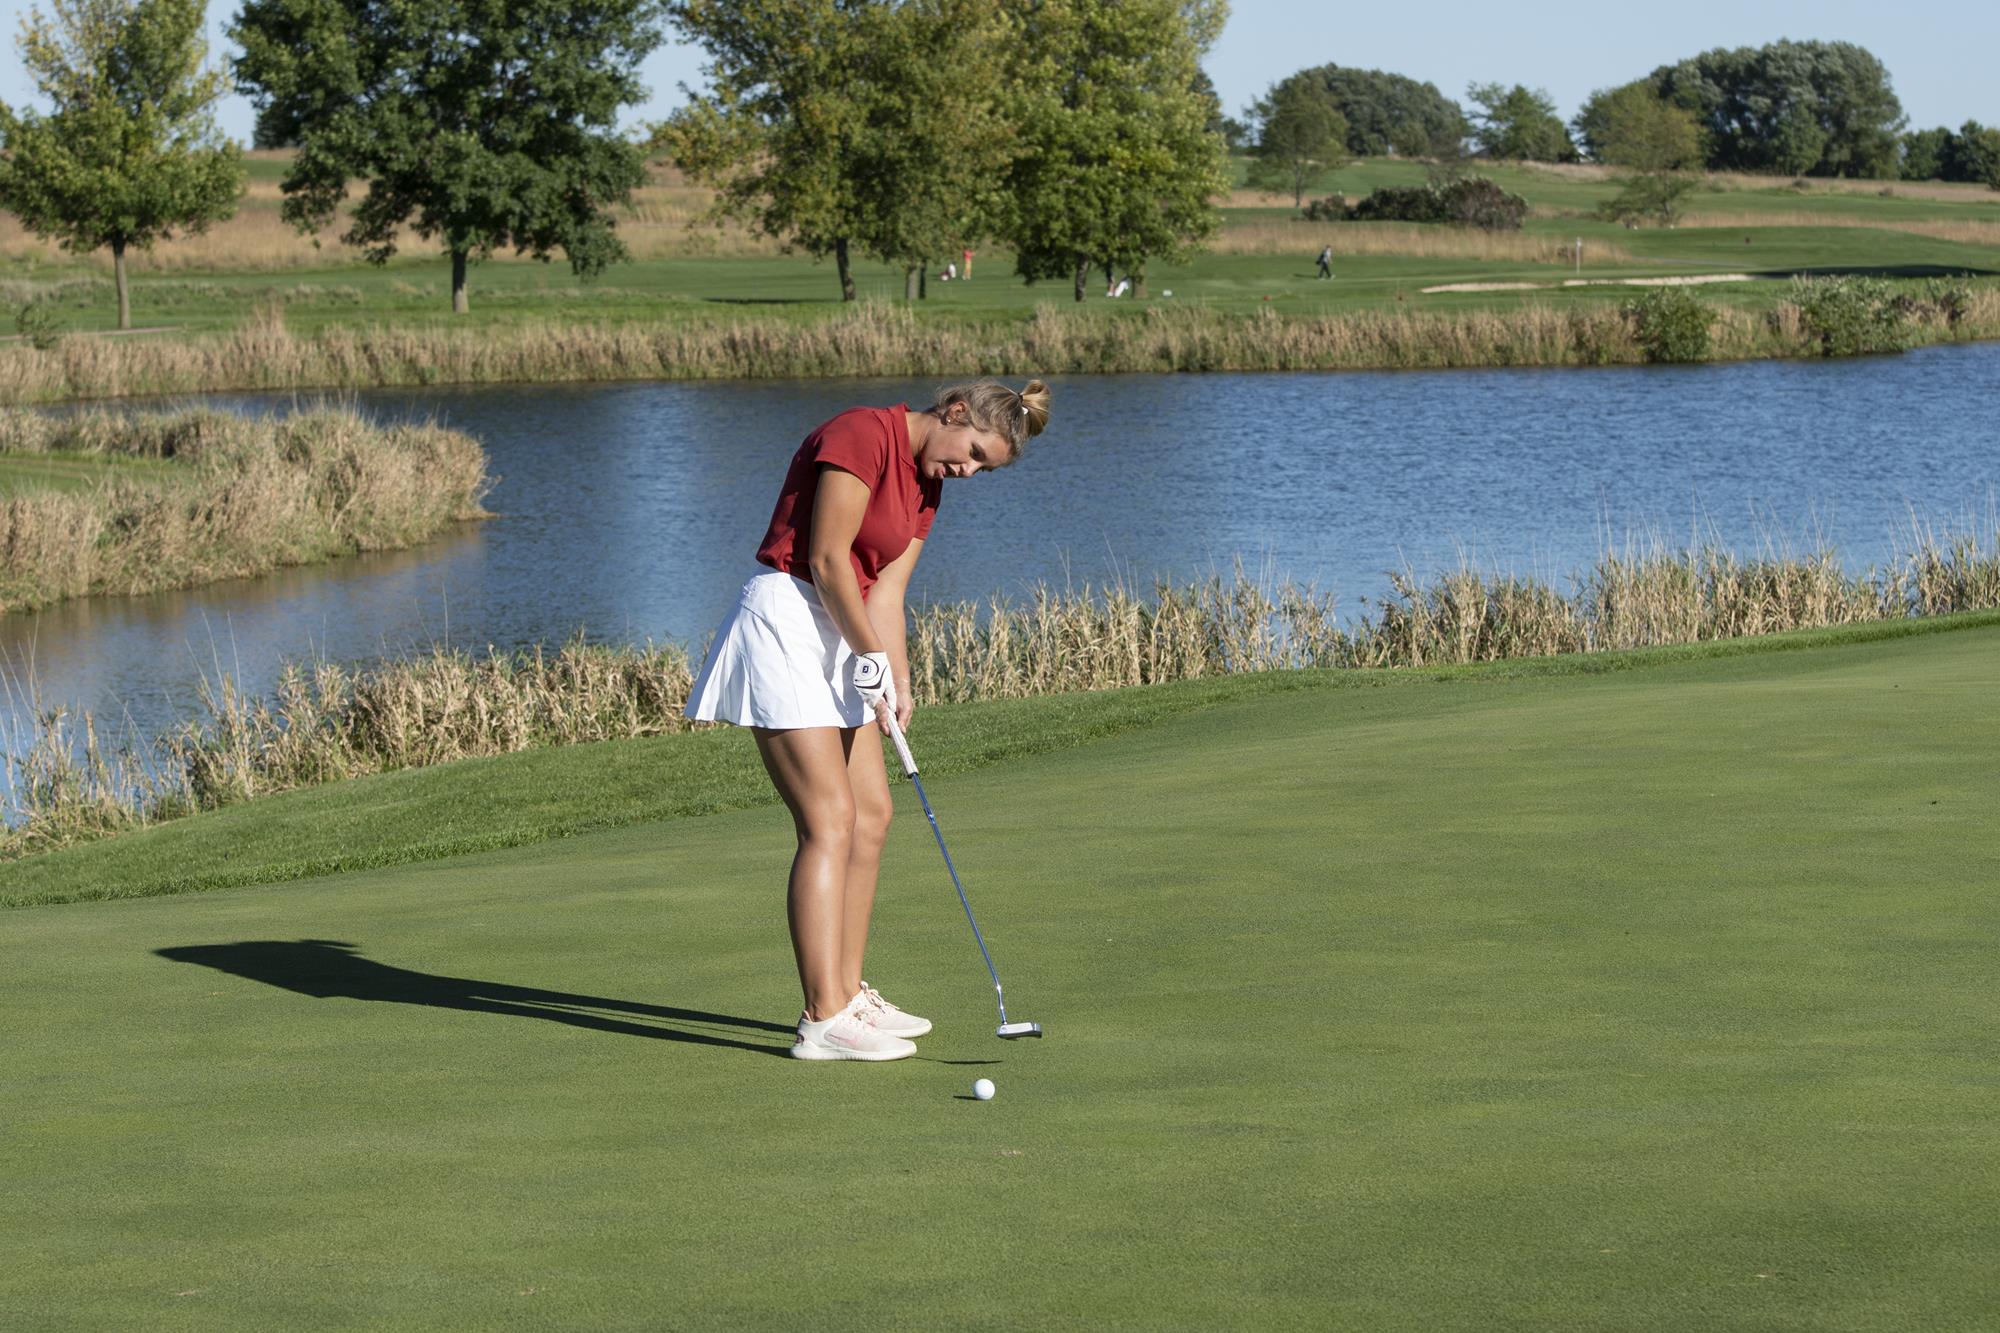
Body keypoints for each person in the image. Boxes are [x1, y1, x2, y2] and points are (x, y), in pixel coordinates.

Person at [684, 380, 1053, 1061]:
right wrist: (869, 657)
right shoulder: (862, 433)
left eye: (982, 468)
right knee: (829, 820)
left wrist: (898, 679)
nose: (967, 471)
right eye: (971, 452)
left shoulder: (926, 488)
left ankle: (849, 992)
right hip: (790, 617)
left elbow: (886, 590)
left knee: (873, 812)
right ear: (954, 411)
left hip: (843, 630)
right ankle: (822, 1017)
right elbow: (826, 560)